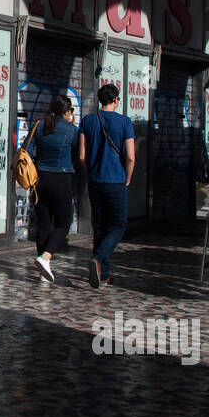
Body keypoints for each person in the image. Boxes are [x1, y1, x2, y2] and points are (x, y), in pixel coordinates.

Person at [77, 83, 135, 288]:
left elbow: (82, 155)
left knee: (100, 226)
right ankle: (98, 259)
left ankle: (103, 274)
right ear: (116, 100)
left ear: (100, 100)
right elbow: (130, 157)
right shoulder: (124, 122)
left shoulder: (87, 120)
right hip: (116, 181)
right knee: (118, 225)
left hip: (95, 181)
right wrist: (127, 178)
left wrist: (90, 172)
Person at [28, 94, 80, 283]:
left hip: (40, 180)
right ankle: (45, 258)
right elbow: (78, 153)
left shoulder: (39, 126)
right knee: (63, 224)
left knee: (44, 224)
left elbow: (26, 149)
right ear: (67, 112)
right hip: (61, 179)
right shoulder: (71, 130)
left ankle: (44, 267)